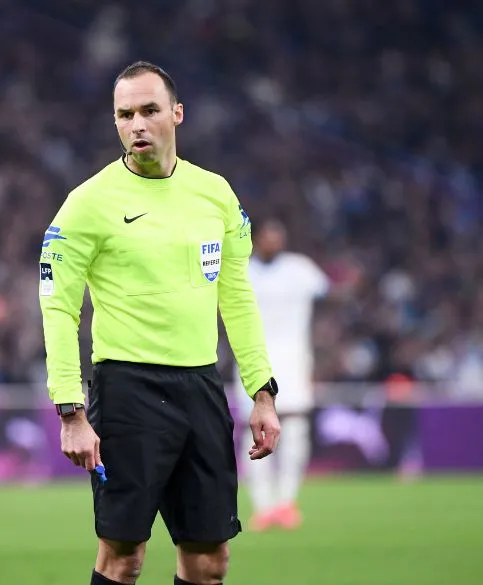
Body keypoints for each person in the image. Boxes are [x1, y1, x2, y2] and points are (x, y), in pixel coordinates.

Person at [38, 60, 281, 585]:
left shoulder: (215, 194)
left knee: (210, 561)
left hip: (201, 388)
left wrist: (262, 392)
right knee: (123, 556)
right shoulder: (87, 204)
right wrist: (69, 409)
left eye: (149, 110)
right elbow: (58, 306)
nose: (137, 125)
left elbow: (237, 296)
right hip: (128, 392)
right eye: (124, 115)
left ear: (177, 113)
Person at [234, 218, 330, 532]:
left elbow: (328, 294)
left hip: (293, 361)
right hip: (252, 361)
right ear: (256, 239)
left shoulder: (300, 268)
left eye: (279, 236)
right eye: (268, 236)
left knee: (295, 429)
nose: (273, 242)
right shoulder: (241, 269)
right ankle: (263, 506)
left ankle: (287, 502)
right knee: (254, 433)